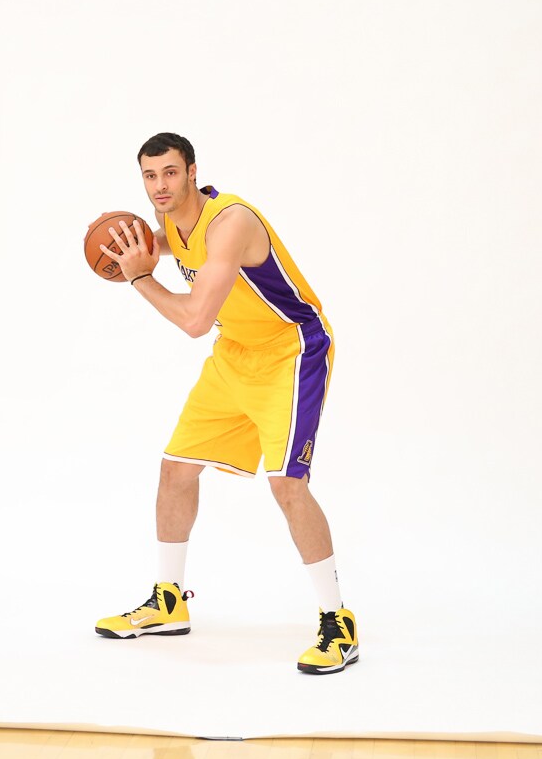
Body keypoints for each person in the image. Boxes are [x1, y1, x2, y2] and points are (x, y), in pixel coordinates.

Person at [93, 132, 358, 675]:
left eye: (169, 173)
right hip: (234, 354)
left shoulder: (230, 222)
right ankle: (168, 600)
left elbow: (193, 320)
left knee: (287, 485)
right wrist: (125, 246)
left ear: (192, 171)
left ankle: (338, 620)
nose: (160, 186)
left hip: (291, 350)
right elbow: (163, 244)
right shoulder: (171, 223)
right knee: (175, 470)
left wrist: (139, 277)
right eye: (149, 176)